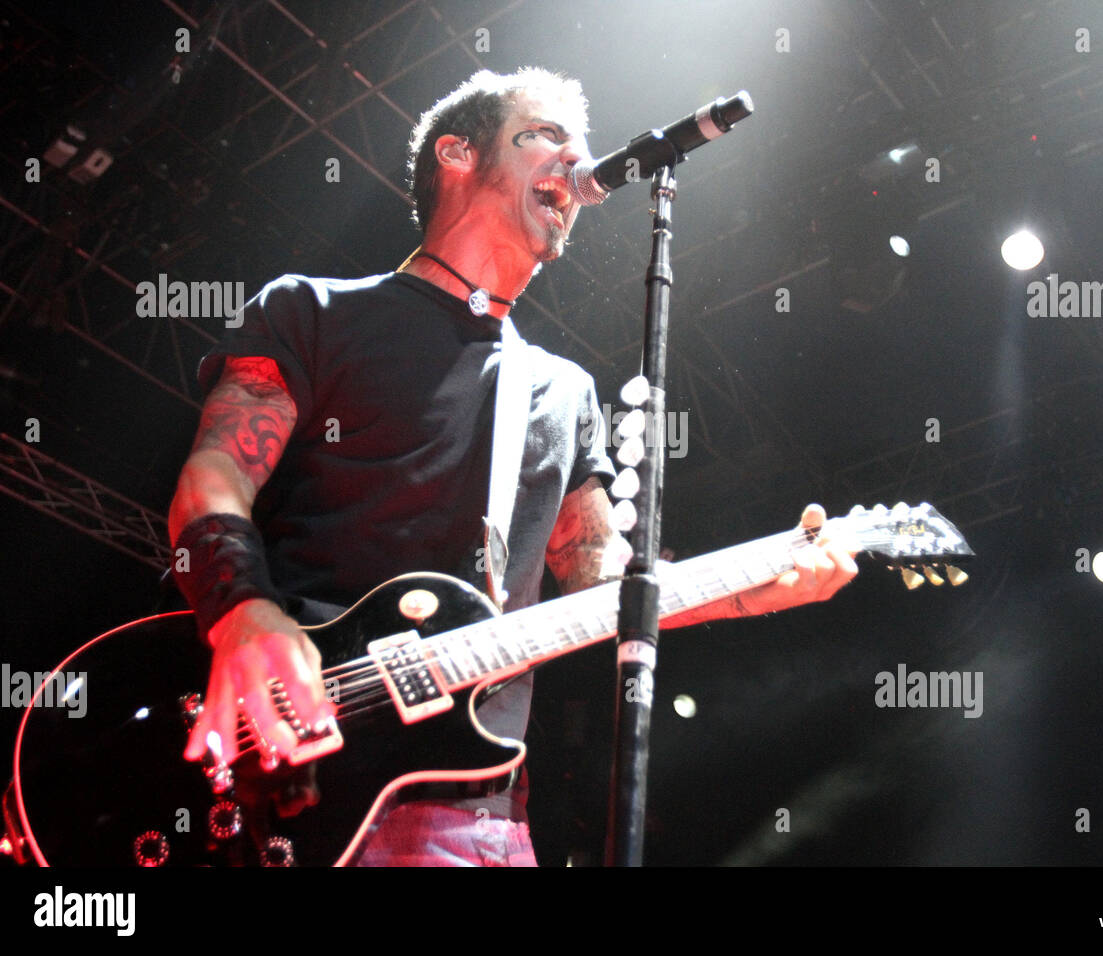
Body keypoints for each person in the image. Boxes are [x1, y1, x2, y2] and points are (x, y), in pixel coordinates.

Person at [168, 67, 858, 866]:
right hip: (298, 781)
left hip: (483, 817)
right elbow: (215, 476)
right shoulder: (316, 312)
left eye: (585, 147)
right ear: (457, 154)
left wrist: (754, 591)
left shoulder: (562, 391)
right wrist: (241, 613)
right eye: (549, 136)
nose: (577, 162)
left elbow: (605, 587)